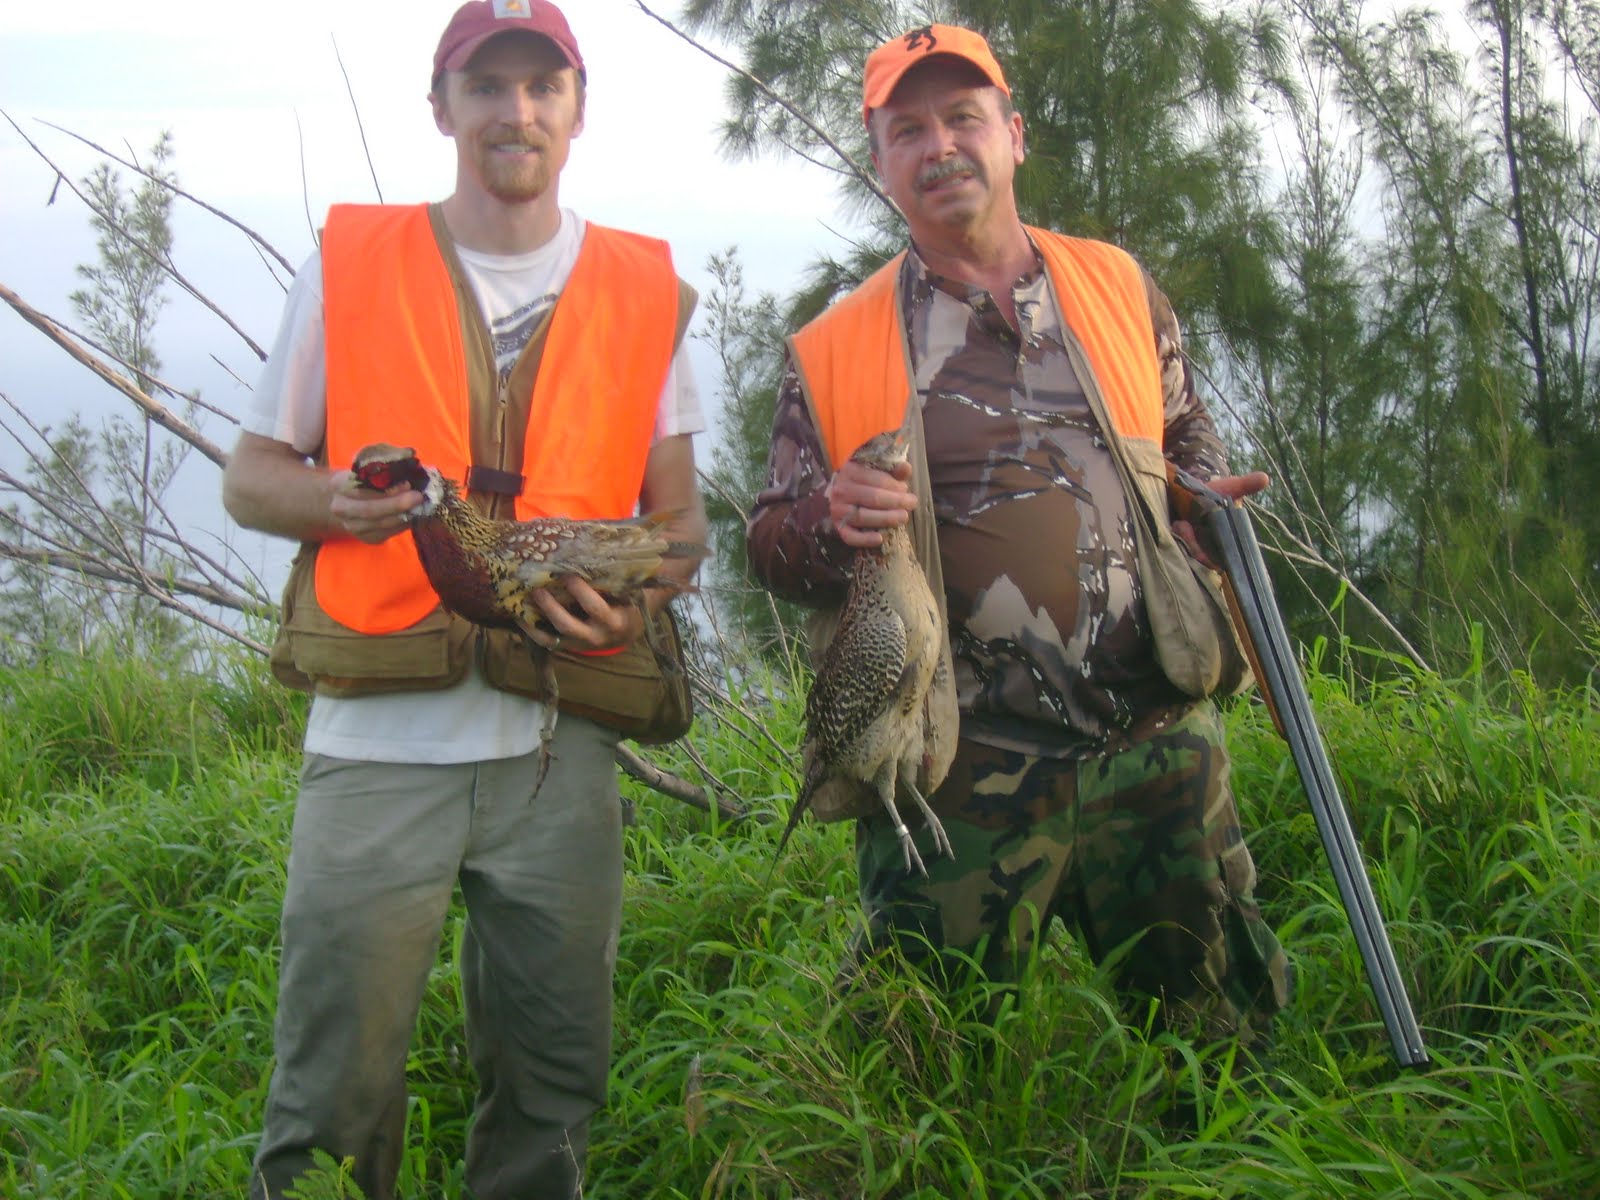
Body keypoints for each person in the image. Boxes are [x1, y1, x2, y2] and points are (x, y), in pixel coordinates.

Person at [221, 2, 706, 1195]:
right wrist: (335, 503)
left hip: (560, 748)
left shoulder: (643, 288)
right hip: (378, 747)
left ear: (578, 110)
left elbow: (681, 526)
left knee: (553, 1088)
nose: (515, 111)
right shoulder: (351, 264)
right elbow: (250, 477)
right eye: (486, 85)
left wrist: (637, 607)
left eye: (542, 86)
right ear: (440, 108)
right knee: (329, 1098)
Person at [746, 24, 1292, 1078]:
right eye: (909, 130)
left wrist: (1194, 500)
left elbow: (1183, 431)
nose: (941, 146)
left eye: (963, 117)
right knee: (922, 1072)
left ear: (1014, 134)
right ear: (881, 163)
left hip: (1156, 737)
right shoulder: (834, 346)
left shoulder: (1116, 286)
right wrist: (829, 521)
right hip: (961, 763)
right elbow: (769, 544)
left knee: (1224, 1059)